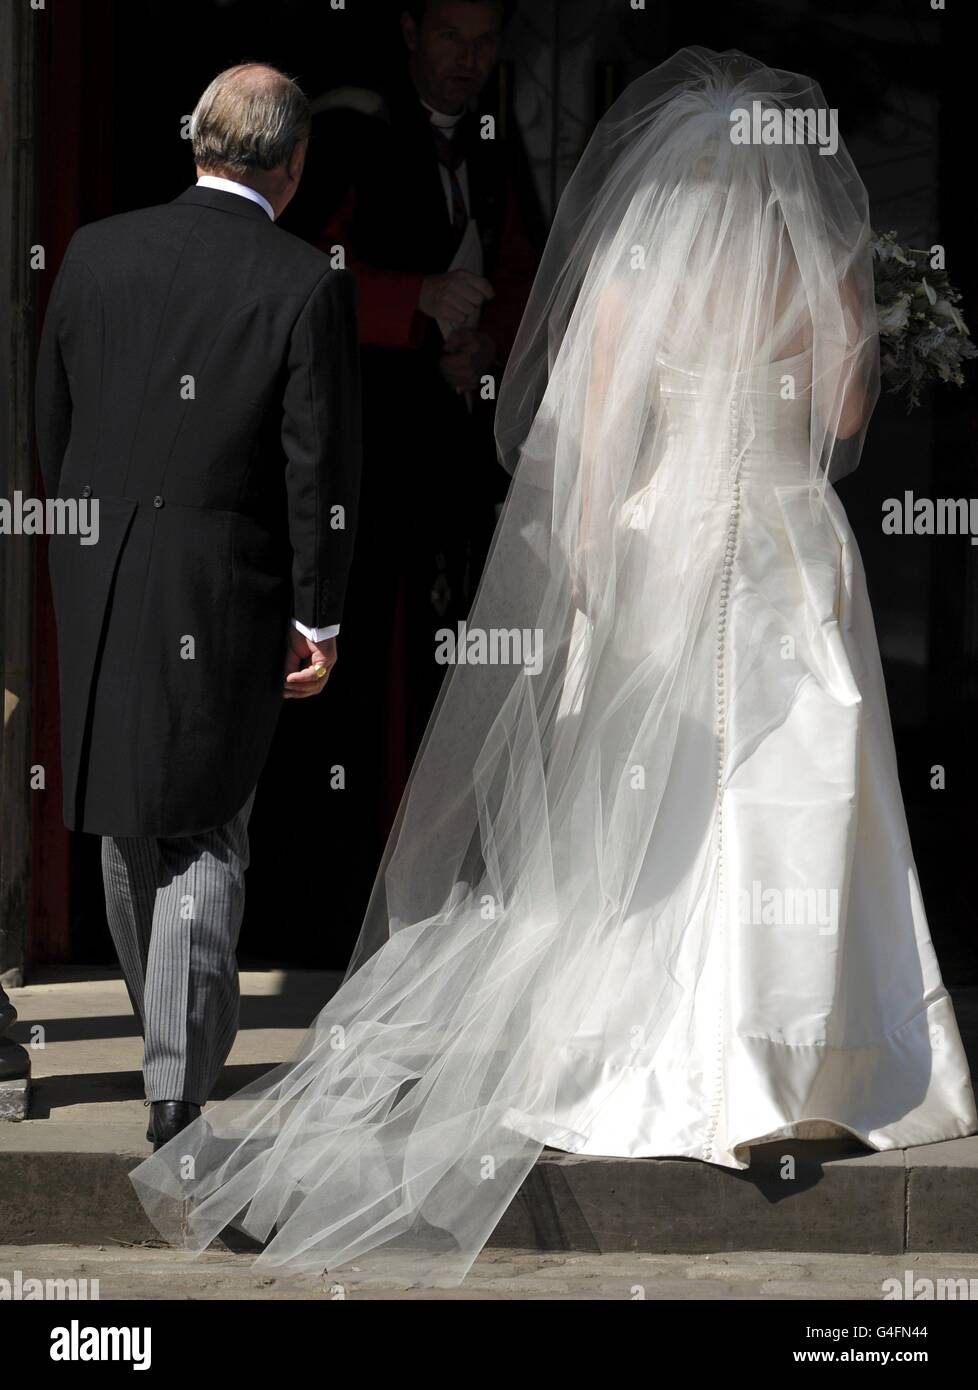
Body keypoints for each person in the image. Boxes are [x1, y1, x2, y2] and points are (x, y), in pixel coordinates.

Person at [129, 47, 977, 1287]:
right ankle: (810, 1061)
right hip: (791, 544)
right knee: (798, 793)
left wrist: (584, 571)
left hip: (664, 539)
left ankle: (644, 1047)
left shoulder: (636, 271)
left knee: (648, 811)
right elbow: (843, 420)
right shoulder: (819, 262)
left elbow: (583, 444)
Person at [34, 64, 361, 1153]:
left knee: (135, 817)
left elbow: (51, 421)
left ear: (196, 143)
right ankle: (175, 1089)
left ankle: (167, 1049)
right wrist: (319, 614)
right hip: (225, 583)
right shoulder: (303, 280)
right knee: (205, 825)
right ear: (294, 164)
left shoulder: (92, 250)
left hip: (99, 569)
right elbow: (318, 467)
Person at [281, 0, 538, 900]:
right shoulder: (347, 128)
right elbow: (291, 271)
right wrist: (414, 301)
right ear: (408, 33)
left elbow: (521, 274)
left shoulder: (496, 143)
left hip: (455, 451)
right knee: (361, 677)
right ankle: (347, 887)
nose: (468, 60)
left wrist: (486, 344)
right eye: (449, 38)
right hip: (360, 447)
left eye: (484, 41)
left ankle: (444, 878)